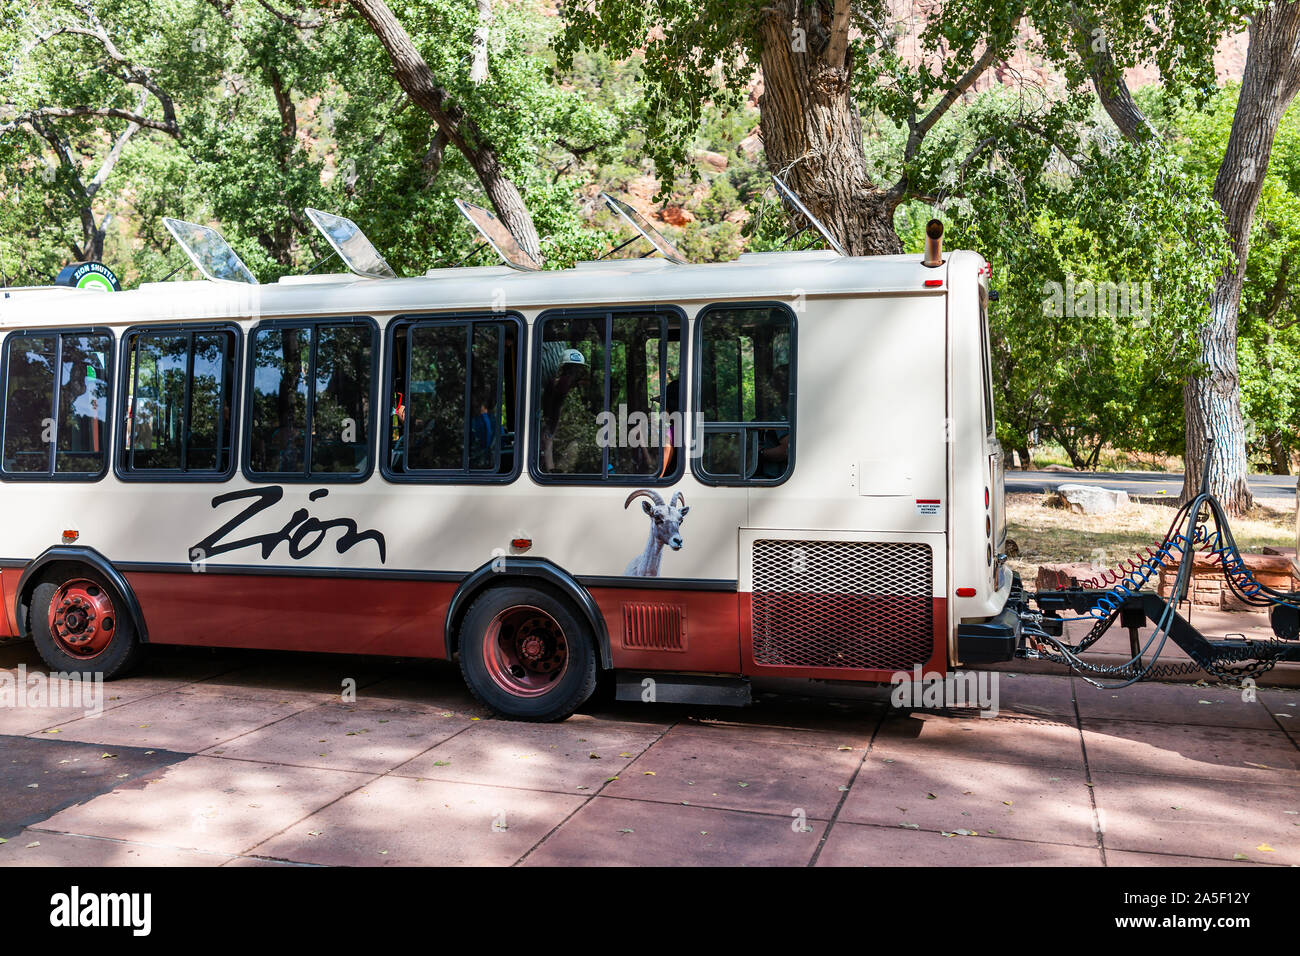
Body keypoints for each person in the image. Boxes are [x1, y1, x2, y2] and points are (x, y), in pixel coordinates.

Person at [538, 342, 588, 472]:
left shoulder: (572, 397)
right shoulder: (544, 390)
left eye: (575, 373)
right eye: (568, 372)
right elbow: (548, 439)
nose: (571, 377)